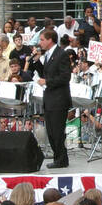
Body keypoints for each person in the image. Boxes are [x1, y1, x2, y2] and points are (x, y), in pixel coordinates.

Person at [37, 29, 71, 169]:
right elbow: (46, 72)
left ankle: (61, 159)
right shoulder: (47, 55)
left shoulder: (61, 54)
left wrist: (48, 82)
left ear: (50, 40)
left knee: (57, 131)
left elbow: (65, 77)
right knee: (51, 131)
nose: (40, 43)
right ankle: (59, 156)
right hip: (49, 98)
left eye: (42, 40)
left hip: (58, 99)